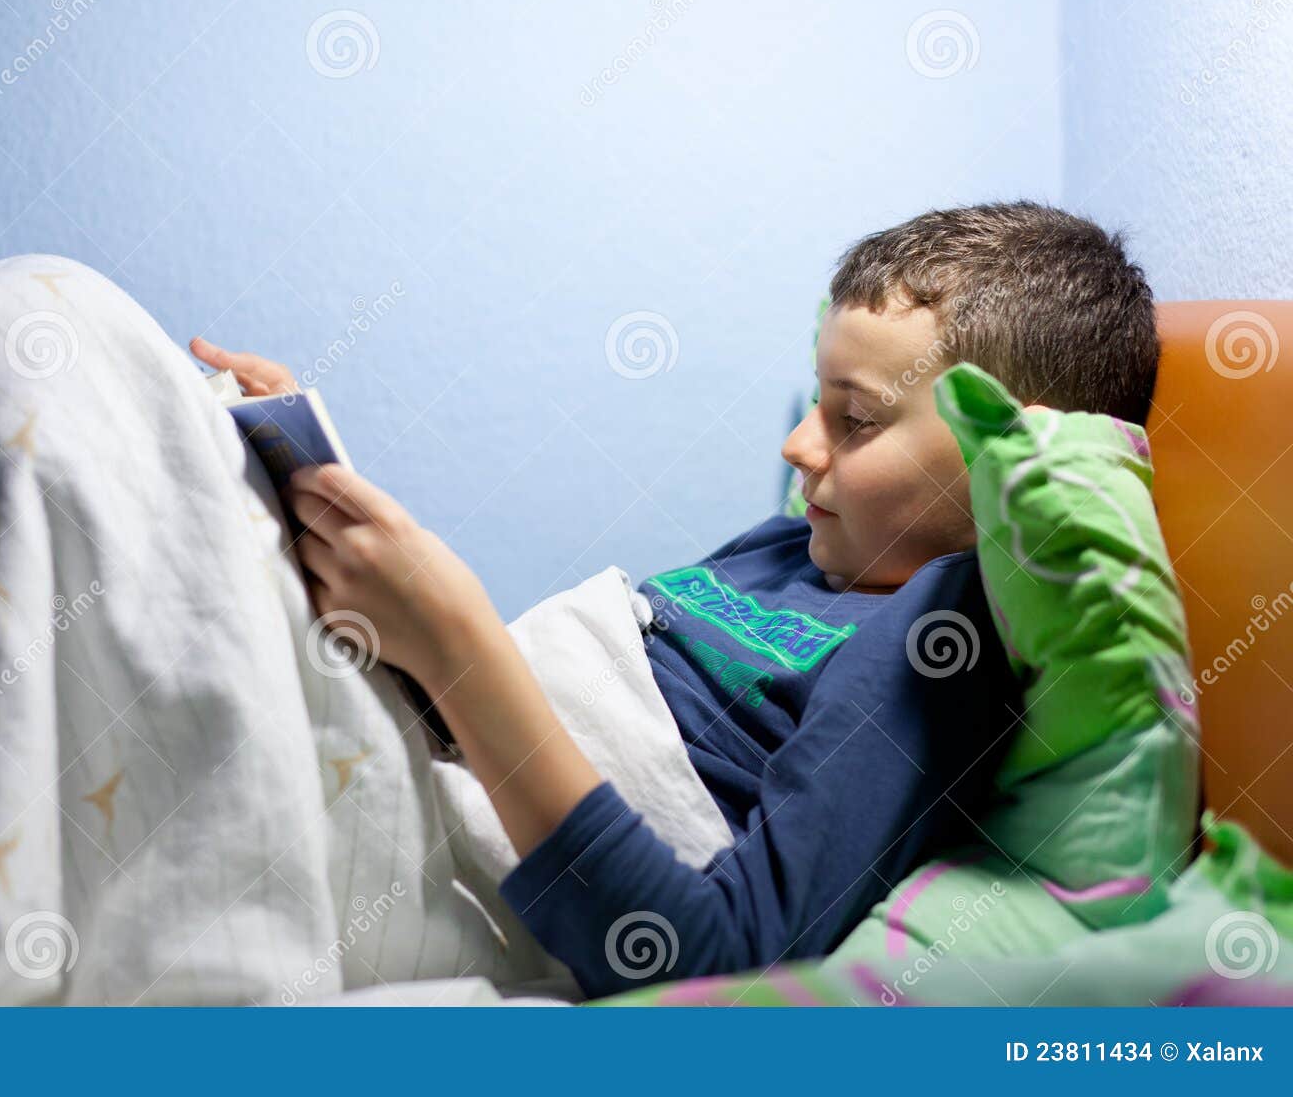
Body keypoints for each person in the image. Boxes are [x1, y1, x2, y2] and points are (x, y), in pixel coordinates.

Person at [188, 200, 1160, 997]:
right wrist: (320, 503)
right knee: (175, 436)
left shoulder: (937, 632)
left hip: (468, 873)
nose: (799, 447)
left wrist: (458, 647)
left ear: (1004, 454)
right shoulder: (798, 547)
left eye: (853, 419)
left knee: (61, 328)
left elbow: (710, 961)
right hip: (415, 751)